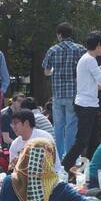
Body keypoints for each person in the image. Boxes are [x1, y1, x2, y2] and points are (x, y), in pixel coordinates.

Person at [63, 32, 101, 176]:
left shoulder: (87, 59)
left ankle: (85, 169)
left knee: (93, 139)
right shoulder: (89, 59)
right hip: (86, 105)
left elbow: (97, 81)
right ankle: (65, 166)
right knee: (82, 141)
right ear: (99, 45)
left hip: (88, 104)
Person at [42, 23, 85, 161]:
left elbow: (46, 71)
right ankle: (70, 157)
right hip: (73, 93)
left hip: (58, 93)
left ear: (59, 35)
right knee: (71, 125)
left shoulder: (53, 49)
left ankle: (58, 157)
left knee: (58, 126)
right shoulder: (79, 49)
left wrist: (55, 70)